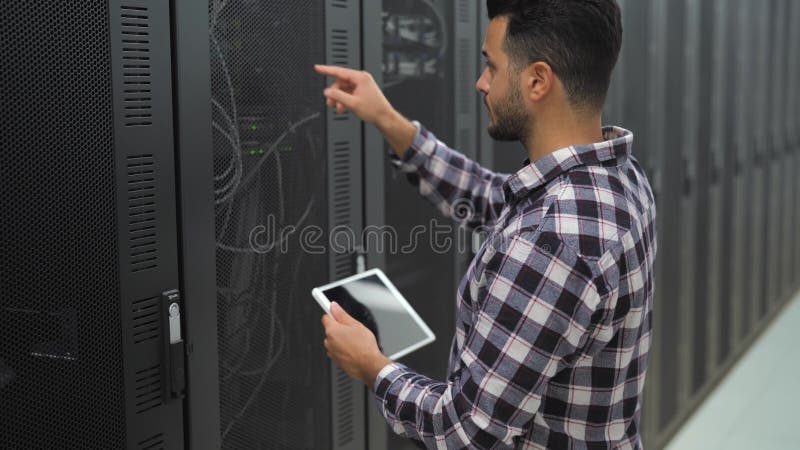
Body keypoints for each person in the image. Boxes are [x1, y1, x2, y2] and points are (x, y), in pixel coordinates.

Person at [319, 0, 656, 448]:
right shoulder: (618, 176)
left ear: (537, 80)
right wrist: (388, 120)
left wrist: (372, 367)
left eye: (492, 67)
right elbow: (489, 198)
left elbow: (465, 433)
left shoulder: (551, 240)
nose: (481, 82)